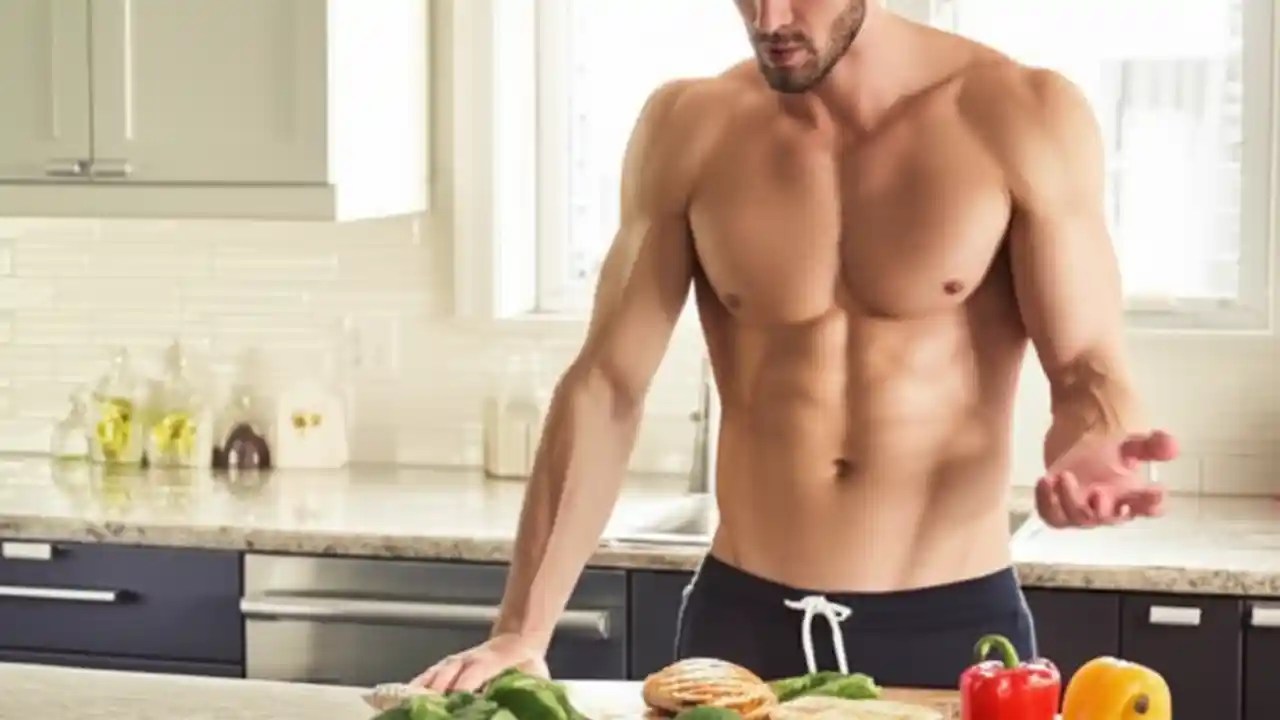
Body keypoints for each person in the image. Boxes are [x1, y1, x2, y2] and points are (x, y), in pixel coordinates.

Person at [414, 0, 1180, 692]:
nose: (769, 16)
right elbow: (607, 385)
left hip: (953, 631)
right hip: (739, 629)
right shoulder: (692, 125)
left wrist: (1097, 440)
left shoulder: (1017, 113)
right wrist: (524, 628)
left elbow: (1087, 365)